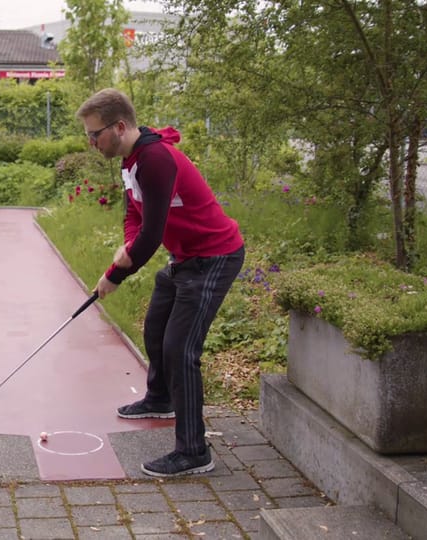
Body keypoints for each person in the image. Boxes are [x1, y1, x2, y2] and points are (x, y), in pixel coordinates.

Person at [76, 88, 245, 478]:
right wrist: (126, 243)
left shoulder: (154, 159)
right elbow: (134, 218)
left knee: (180, 350)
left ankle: (193, 451)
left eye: (94, 134)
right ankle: (160, 397)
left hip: (214, 257)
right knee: (156, 327)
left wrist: (114, 275)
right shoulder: (130, 160)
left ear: (119, 127)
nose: (91, 143)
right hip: (186, 258)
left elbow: (151, 236)